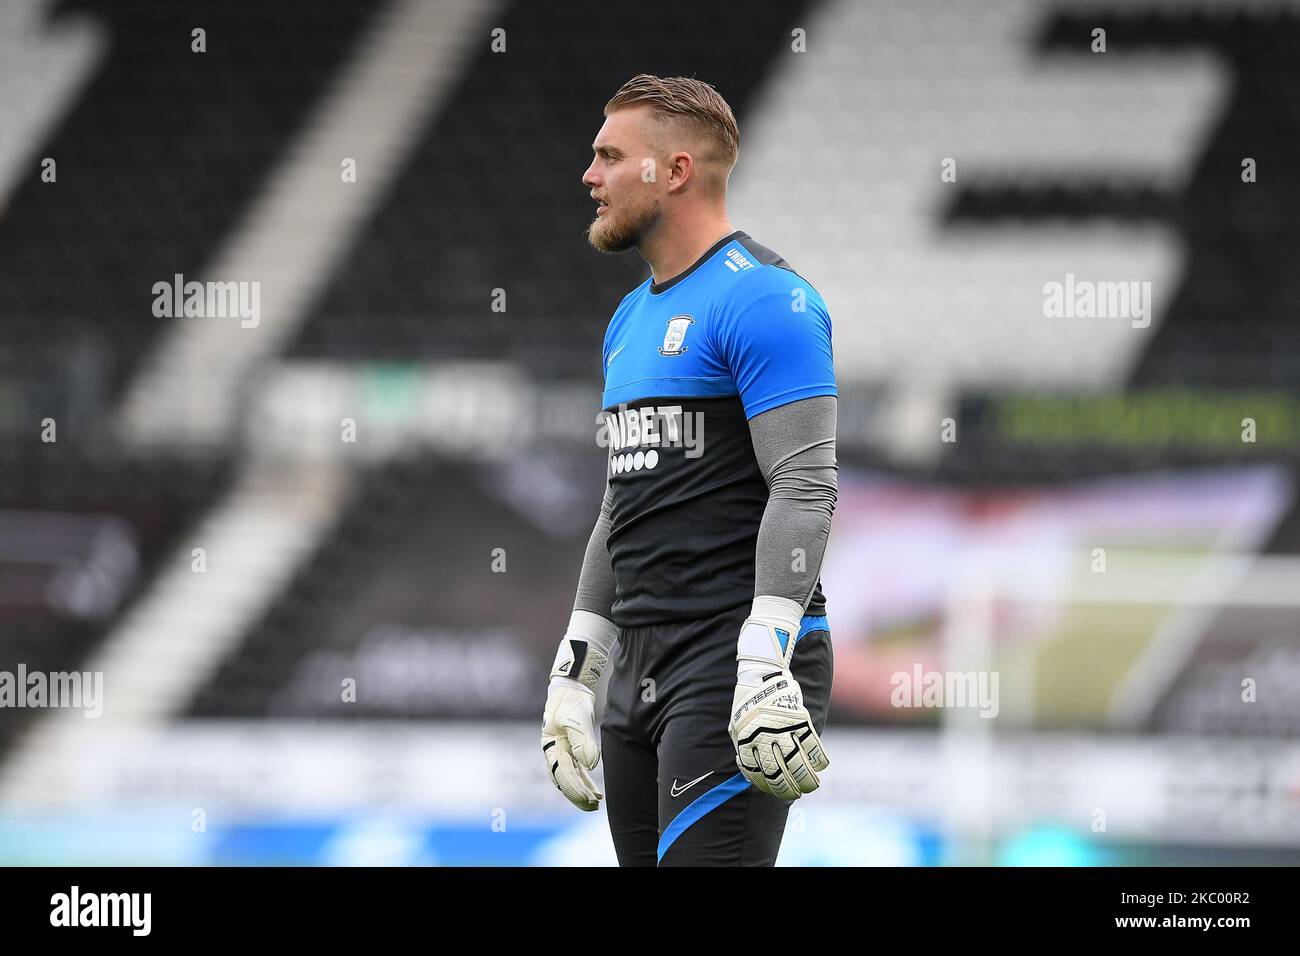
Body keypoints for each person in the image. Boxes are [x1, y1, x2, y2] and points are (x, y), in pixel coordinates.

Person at [541, 73, 838, 866]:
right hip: (641, 656)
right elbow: (621, 504)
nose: (589, 176)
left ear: (673, 172)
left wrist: (764, 655)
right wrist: (579, 665)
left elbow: (805, 487)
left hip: (733, 655)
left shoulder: (769, 300)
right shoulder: (628, 317)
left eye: (609, 156)